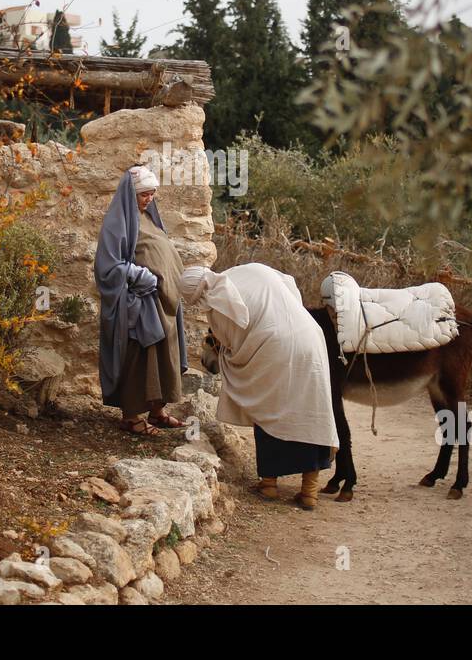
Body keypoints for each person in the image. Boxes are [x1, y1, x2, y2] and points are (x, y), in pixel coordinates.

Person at [178, 263, 339, 509]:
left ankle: (269, 484)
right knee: (309, 409)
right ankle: (309, 491)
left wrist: (231, 363)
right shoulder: (246, 271)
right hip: (310, 336)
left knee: (267, 408)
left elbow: (233, 344)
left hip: (274, 344)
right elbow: (289, 284)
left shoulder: (219, 306)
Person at [94, 164, 188, 435]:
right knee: (140, 357)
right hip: (139, 303)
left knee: (163, 355)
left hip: (164, 302)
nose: (149, 199)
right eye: (144, 194)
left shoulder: (147, 217)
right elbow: (107, 268)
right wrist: (137, 274)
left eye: (152, 193)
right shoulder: (117, 223)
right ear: (130, 194)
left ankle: (157, 411)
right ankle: (131, 416)